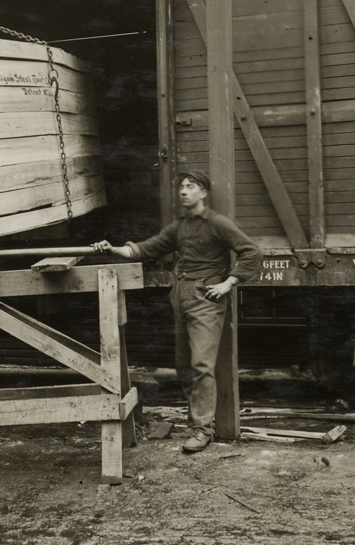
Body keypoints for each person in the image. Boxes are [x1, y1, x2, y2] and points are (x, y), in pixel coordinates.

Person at [91, 170, 261, 453]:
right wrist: (112, 249)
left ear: (203, 193)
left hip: (206, 297)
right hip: (180, 295)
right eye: (181, 186)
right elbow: (146, 249)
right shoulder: (180, 227)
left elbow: (251, 251)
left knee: (202, 366)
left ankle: (202, 430)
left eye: (190, 186)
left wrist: (228, 284)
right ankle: (197, 423)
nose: (184, 191)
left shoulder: (217, 223)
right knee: (184, 366)